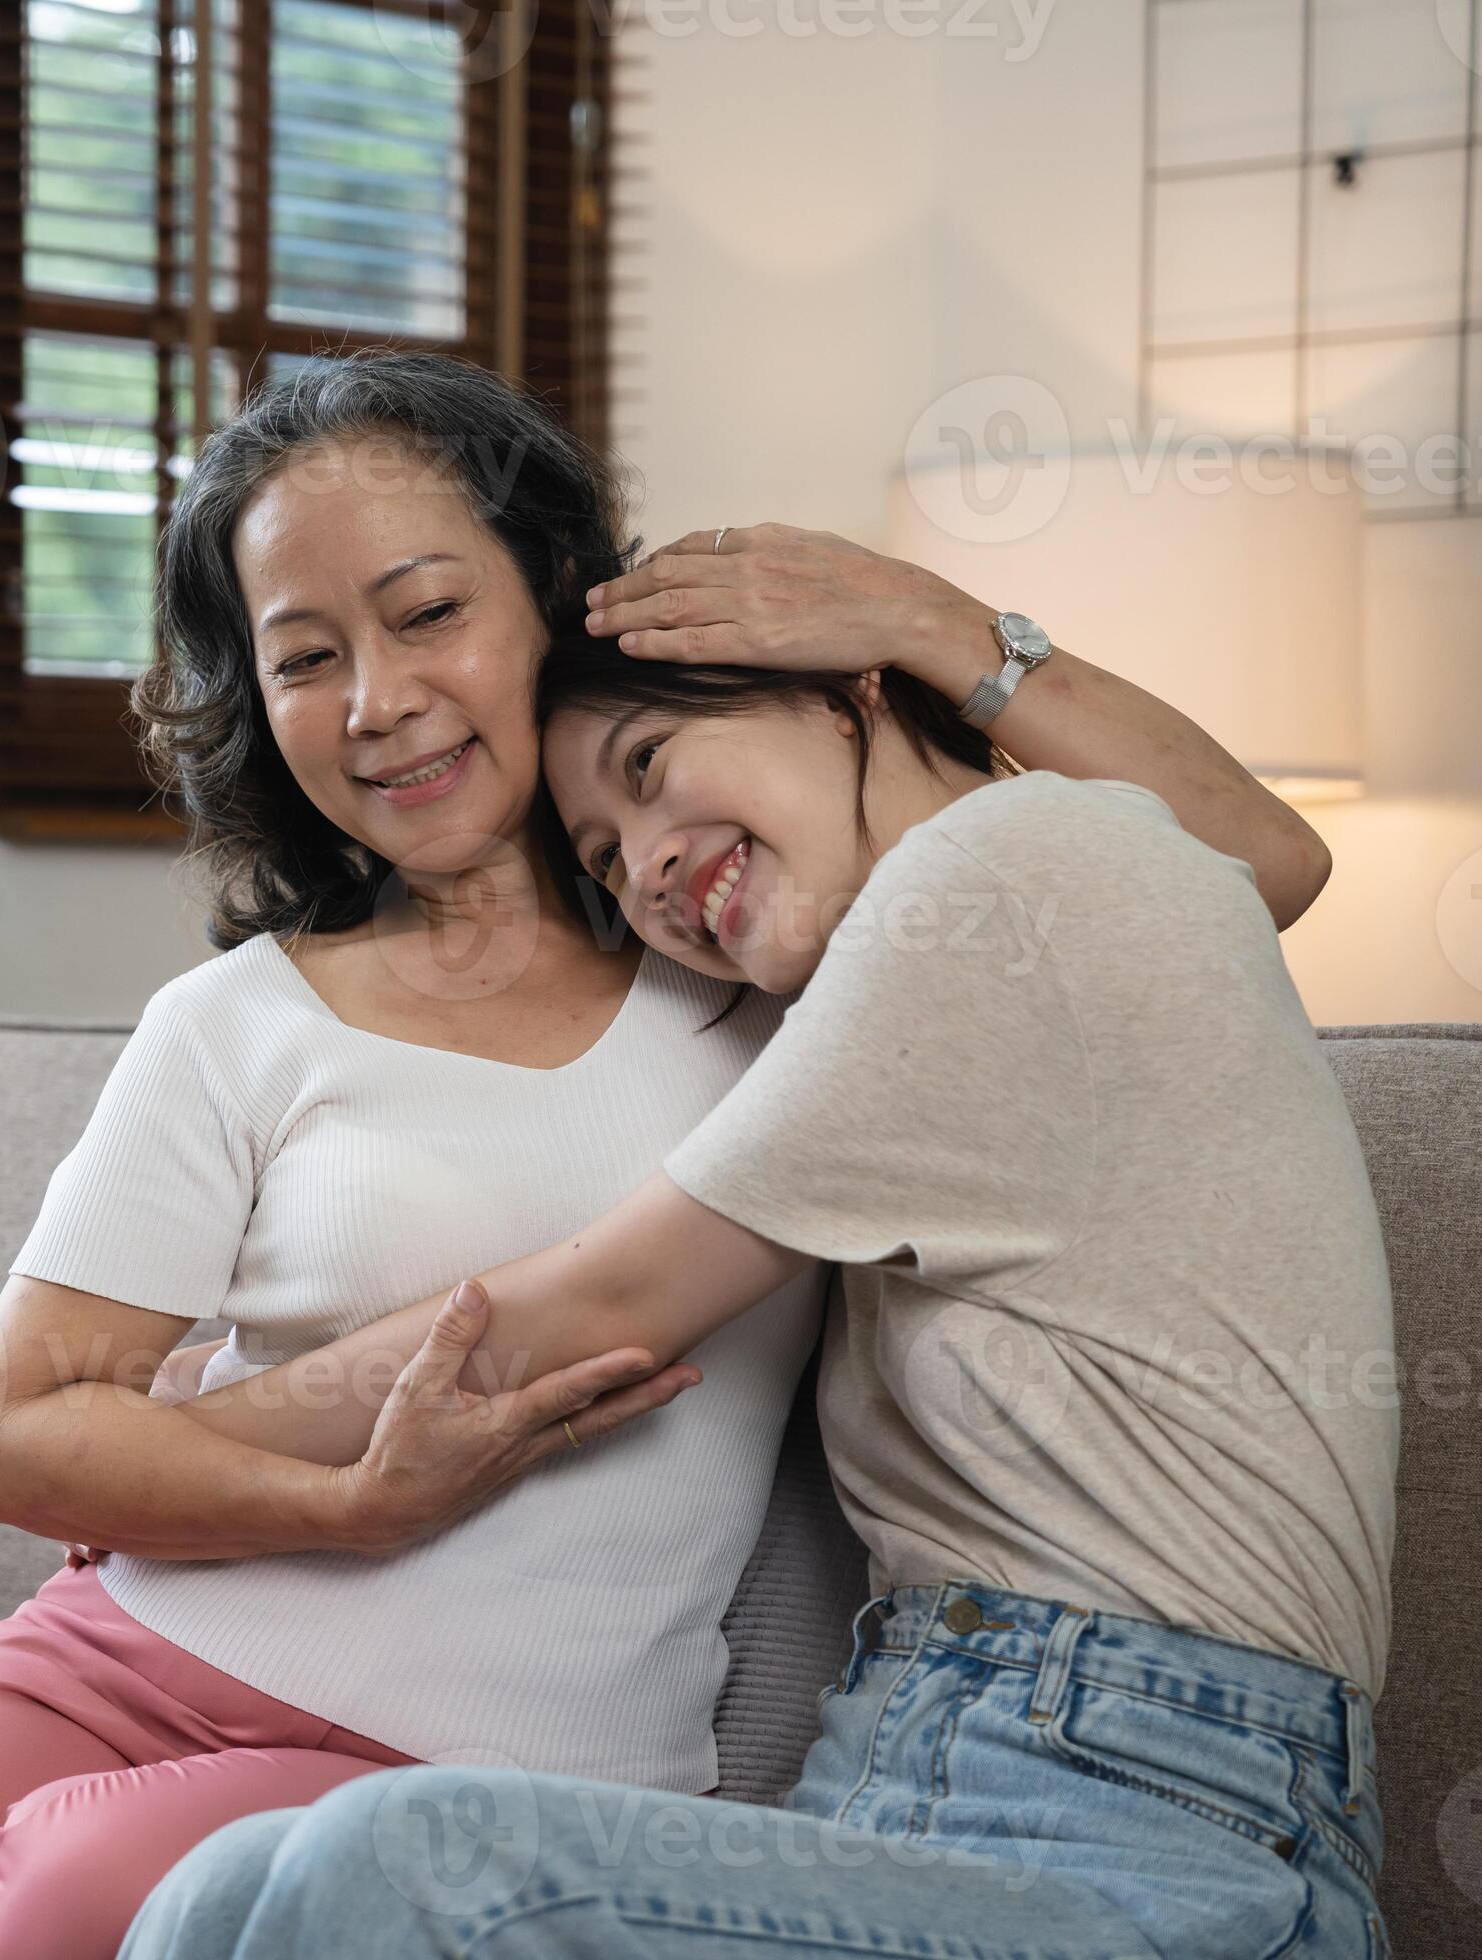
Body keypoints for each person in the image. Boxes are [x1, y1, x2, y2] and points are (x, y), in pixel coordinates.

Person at [0, 354, 1337, 1960]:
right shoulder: (239, 1023)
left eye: (425, 615)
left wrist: (933, 622)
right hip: (136, 1653)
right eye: (307, 658)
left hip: (512, 1758)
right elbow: (9, 1441)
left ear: (553, 605)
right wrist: (324, 1495)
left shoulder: (785, 963)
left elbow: (1226, 870)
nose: (378, 700)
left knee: (73, 1896)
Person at [118, 565, 1396, 1958]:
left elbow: (601, 1301)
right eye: (605, 859)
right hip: (905, 1792)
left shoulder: (998, 875)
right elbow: (1258, 863)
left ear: (842, 695)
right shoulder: (980, 939)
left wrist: (154, 1449)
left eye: (653, 766)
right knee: (219, 1890)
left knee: (399, 1865)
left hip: (1169, 1826)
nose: (649, 862)